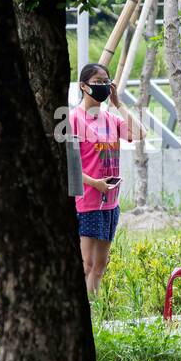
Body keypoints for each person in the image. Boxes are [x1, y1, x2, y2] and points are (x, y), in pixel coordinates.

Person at [70, 62, 143, 295]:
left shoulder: (110, 119)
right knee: (86, 264)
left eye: (106, 82)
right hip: (87, 202)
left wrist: (118, 104)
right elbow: (68, 166)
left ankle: (94, 309)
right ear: (83, 86)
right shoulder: (73, 119)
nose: (103, 86)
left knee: (100, 266)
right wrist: (95, 183)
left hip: (111, 202)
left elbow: (140, 133)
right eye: (98, 82)